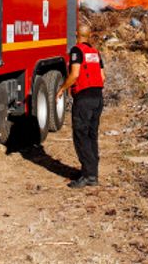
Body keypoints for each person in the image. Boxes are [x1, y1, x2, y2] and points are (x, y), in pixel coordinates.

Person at [56, 25, 105, 188]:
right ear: (89, 35)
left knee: (81, 136)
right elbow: (103, 77)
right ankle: (92, 172)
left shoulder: (76, 51)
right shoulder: (95, 52)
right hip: (98, 97)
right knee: (92, 135)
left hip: (84, 98)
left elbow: (75, 74)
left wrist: (63, 88)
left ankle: (88, 175)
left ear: (76, 34)